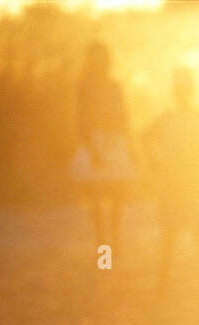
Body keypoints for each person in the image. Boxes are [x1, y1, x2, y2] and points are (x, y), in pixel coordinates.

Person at [143, 66, 199, 294]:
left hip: (186, 180)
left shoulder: (180, 118)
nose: (181, 92)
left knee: (185, 233)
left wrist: (156, 163)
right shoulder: (187, 118)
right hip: (182, 181)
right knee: (184, 233)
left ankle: (179, 283)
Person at [72, 41, 138, 252]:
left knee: (116, 196)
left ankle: (115, 242)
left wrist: (126, 142)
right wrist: (92, 148)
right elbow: (83, 119)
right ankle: (103, 244)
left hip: (114, 140)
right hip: (95, 141)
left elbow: (123, 115)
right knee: (98, 198)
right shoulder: (85, 86)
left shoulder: (113, 85)